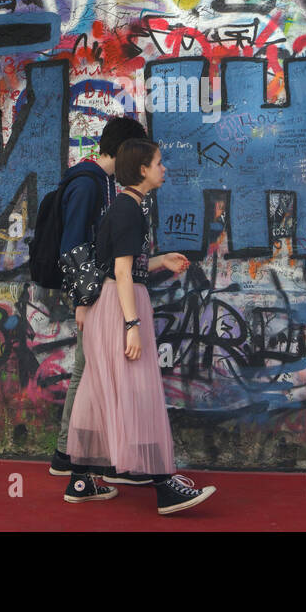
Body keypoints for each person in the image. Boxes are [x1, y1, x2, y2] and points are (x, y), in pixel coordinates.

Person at [63, 138, 218, 514]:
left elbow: (124, 265)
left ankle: (81, 479)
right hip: (121, 310)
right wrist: (132, 324)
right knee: (138, 389)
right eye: (159, 163)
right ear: (143, 170)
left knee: (99, 391)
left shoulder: (124, 207)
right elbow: (119, 271)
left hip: (111, 306)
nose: (164, 169)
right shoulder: (129, 210)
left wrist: (161, 260)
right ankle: (164, 486)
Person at [48, 116, 147, 483]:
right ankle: (68, 454)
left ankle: (73, 453)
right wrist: (85, 300)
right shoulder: (89, 185)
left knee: (88, 369)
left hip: (95, 293)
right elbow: (72, 247)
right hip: (92, 295)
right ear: (123, 152)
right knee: (86, 370)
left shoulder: (103, 183)